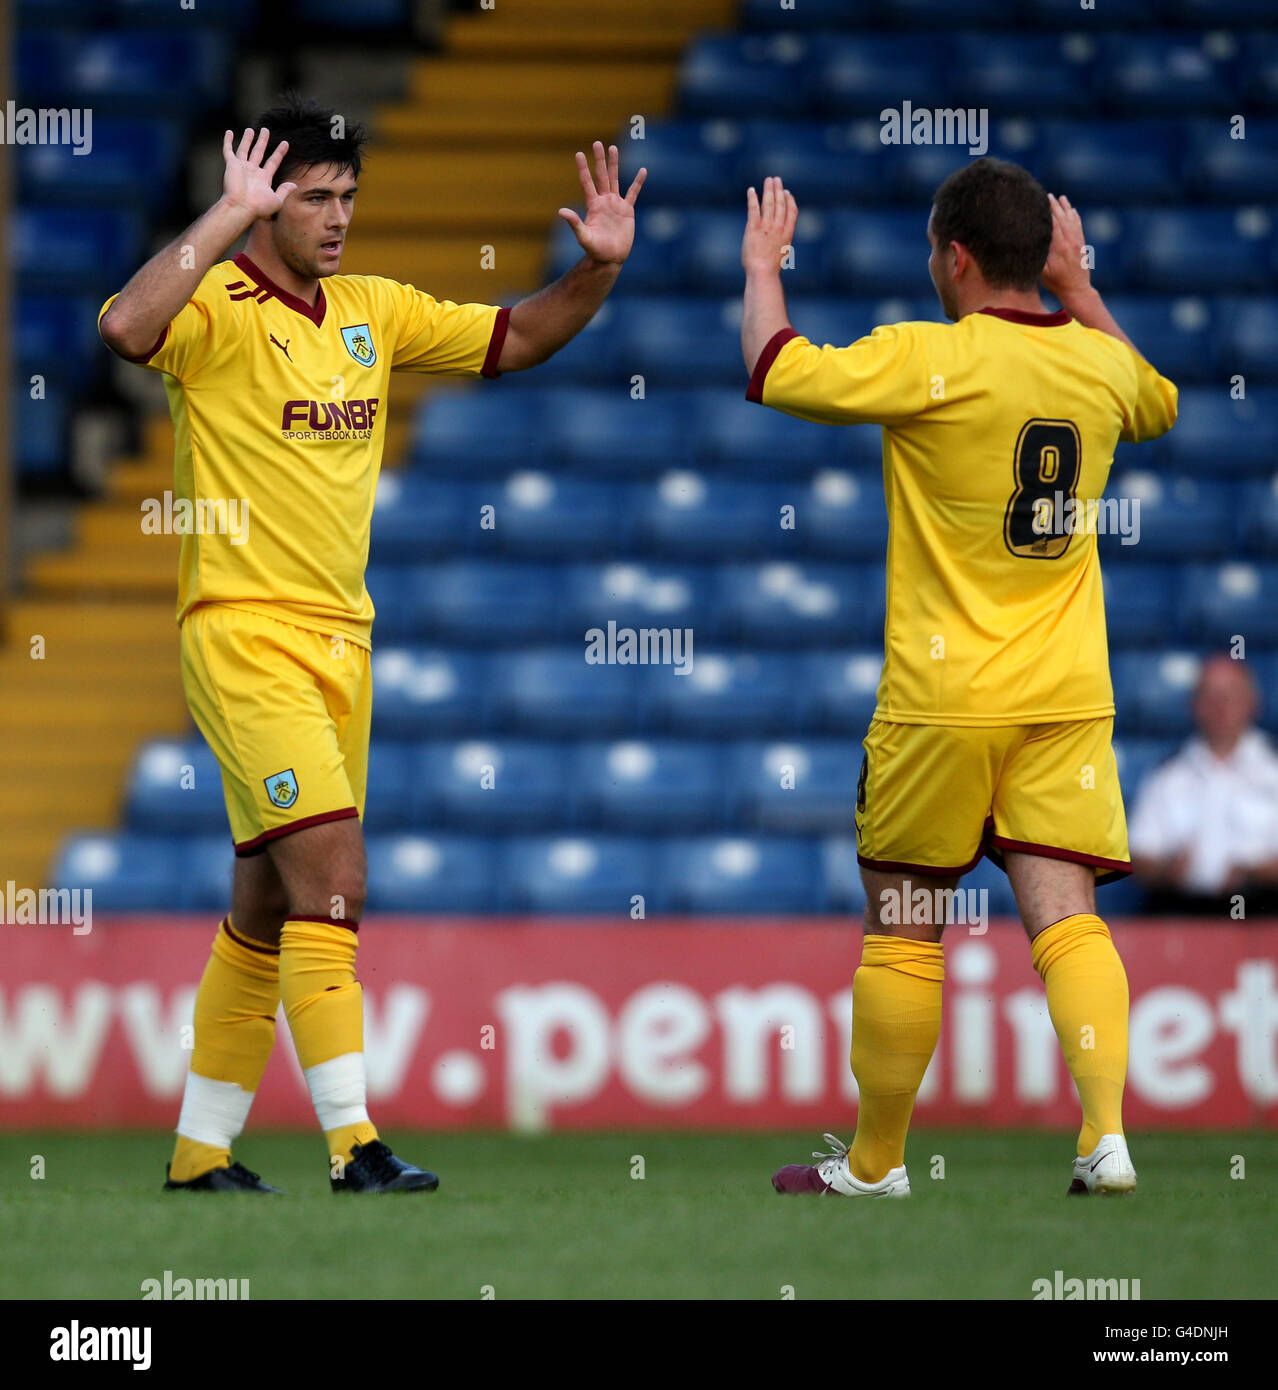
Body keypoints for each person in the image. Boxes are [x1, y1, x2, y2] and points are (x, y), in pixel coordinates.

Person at [98, 95, 645, 1193]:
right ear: (268, 202)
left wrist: (596, 271)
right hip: (243, 634)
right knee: (336, 879)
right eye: (314, 197)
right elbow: (125, 326)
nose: (339, 216)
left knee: (267, 900)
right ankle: (355, 1145)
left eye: (349, 196)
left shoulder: (374, 311)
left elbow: (516, 336)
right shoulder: (215, 312)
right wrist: (222, 216)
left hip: (344, 644)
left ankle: (200, 1153)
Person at [742, 159, 1177, 1197]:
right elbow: (1159, 404)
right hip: (1065, 697)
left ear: (957, 258)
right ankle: (1105, 1135)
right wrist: (1080, 289)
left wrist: (764, 265)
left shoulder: (931, 355)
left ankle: (878, 1163)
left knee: (904, 924)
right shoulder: (1102, 369)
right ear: (1046, 256)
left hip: (941, 702)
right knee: (1067, 916)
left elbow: (774, 366)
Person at [1130, 654, 1278, 915]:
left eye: (1230, 694)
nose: (1220, 706)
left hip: (1263, 908)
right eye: (1210, 695)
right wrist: (1166, 871)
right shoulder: (1167, 775)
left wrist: (1255, 872)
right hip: (1184, 909)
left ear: (1253, 702)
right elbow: (1140, 855)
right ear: (1194, 705)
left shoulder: (1273, 769)